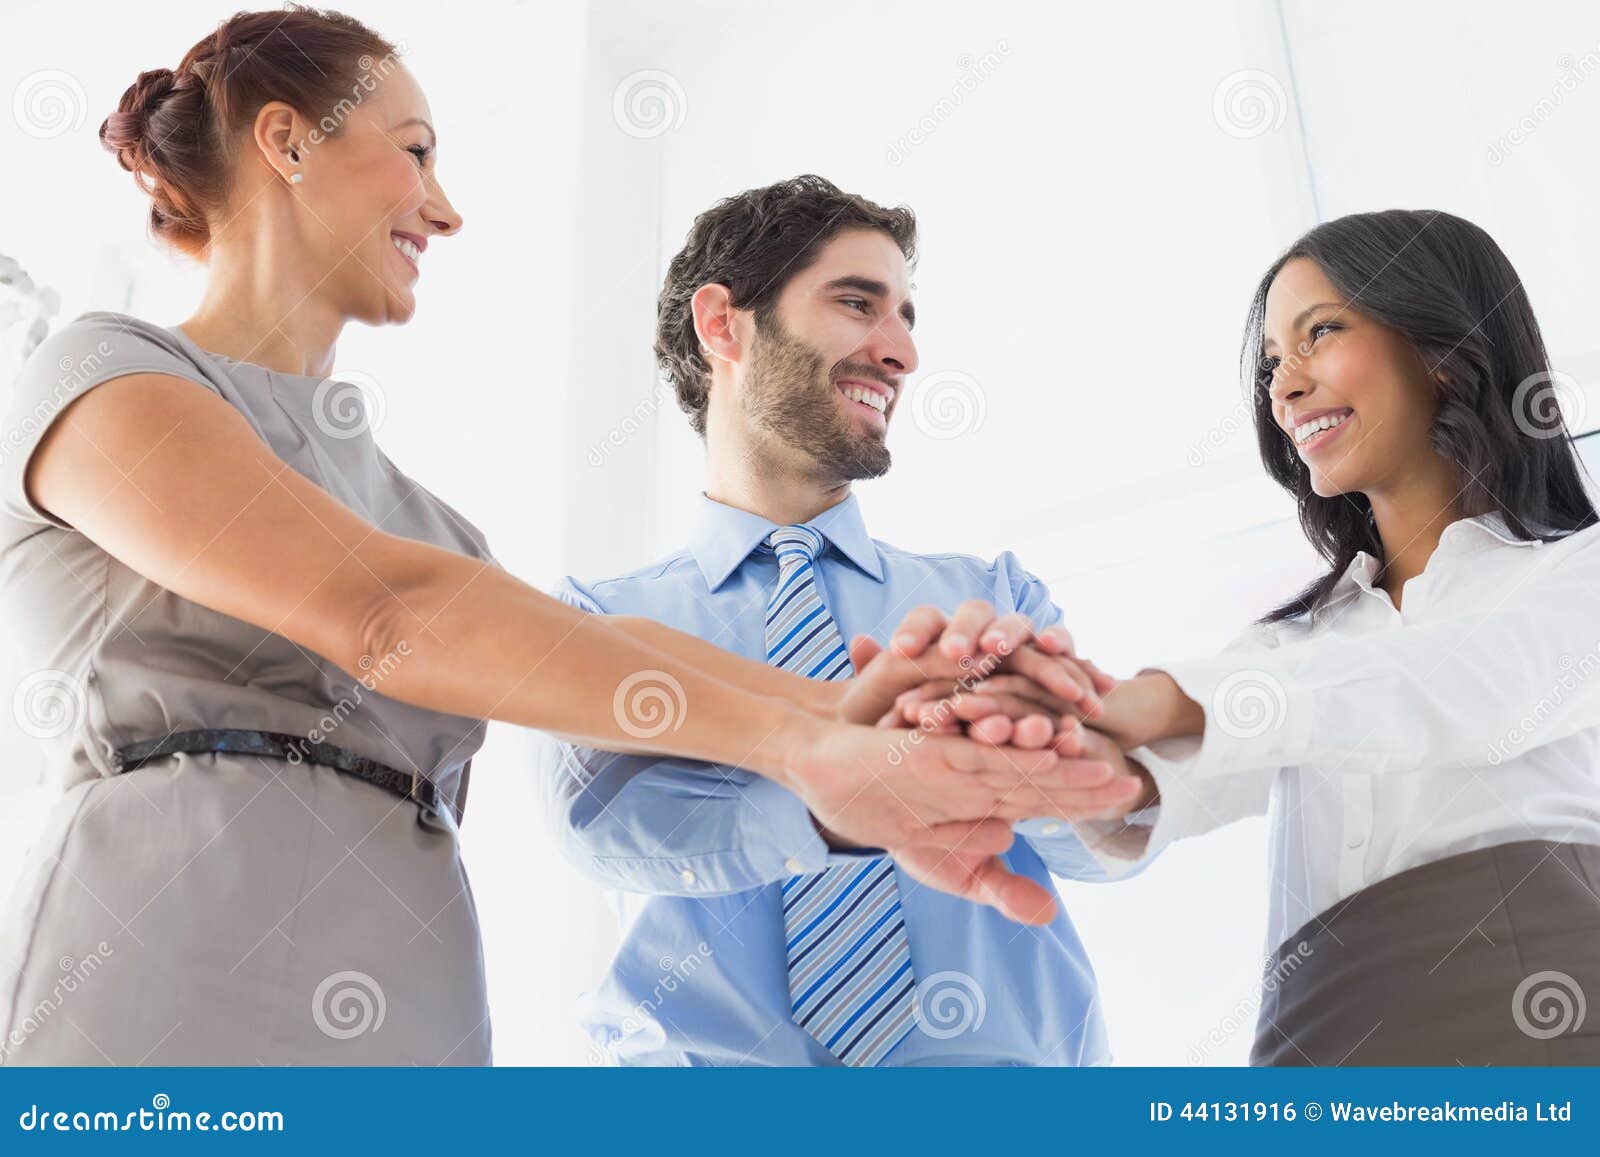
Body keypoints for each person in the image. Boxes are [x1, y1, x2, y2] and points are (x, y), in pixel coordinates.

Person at [0, 9, 1113, 1066]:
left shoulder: (436, 526)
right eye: (416, 152)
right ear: (287, 140)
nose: (444, 210)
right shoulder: (102, 372)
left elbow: (554, 638)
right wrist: (806, 743)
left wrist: (850, 715)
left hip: (415, 997)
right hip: (174, 966)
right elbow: (392, 613)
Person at [908, 209, 1600, 1065]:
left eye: (1320, 333)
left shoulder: (1578, 573)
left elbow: (1459, 686)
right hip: (1313, 1053)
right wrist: (1051, 725)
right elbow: (1159, 783)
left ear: (1446, 352)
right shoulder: (1292, 645)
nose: (1284, 384)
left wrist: (1150, 701)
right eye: (1274, 361)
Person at [535, 176, 1157, 1067]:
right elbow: (604, 831)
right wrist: (854, 794)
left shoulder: (991, 601)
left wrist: (1047, 766)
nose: (900, 350)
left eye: (907, 317)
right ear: (724, 325)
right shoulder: (604, 622)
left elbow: (1117, 847)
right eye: (859, 302)